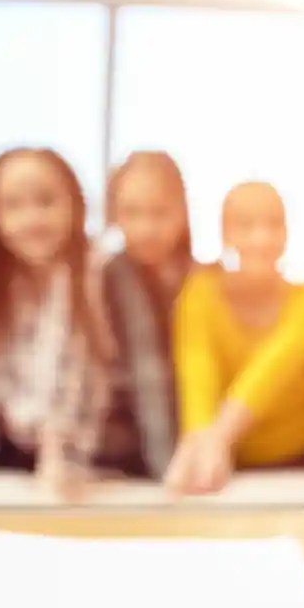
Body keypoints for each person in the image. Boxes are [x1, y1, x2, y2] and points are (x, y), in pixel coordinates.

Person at [0, 147, 110, 497]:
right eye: (12, 205)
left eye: (46, 201)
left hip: (94, 452)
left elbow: (77, 373)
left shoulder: (98, 272)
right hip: (3, 452)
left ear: (75, 204)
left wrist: (58, 452)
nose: (32, 219)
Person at [167, 181, 304, 494]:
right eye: (246, 225)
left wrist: (215, 439)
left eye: (273, 224)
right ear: (226, 234)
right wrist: (197, 442)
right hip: (232, 459)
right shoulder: (199, 294)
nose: (262, 237)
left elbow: (269, 370)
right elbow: (197, 372)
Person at [98, 151, 194, 478]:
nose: (146, 227)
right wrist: (167, 472)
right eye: (132, 213)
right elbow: (146, 376)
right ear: (114, 214)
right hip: (133, 449)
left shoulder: (200, 277)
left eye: (160, 212)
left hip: (189, 445)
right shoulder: (115, 275)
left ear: (183, 211)